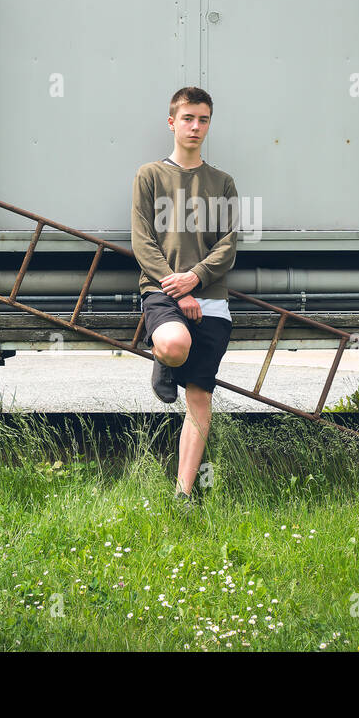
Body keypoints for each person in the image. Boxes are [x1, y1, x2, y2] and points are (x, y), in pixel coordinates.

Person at [130, 87, 238, 510]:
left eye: (204, 120)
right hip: (161, 292)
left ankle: (183, 493)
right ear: (172, 122)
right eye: (188, 118)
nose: (196, 127)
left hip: (210, 298)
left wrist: (195, 278)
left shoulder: (222, 182)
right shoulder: (149, 176)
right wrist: (174, 284)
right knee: (174, 345)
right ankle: (163, 362)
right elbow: (142, 240)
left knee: (199, 396)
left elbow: (228, 245)